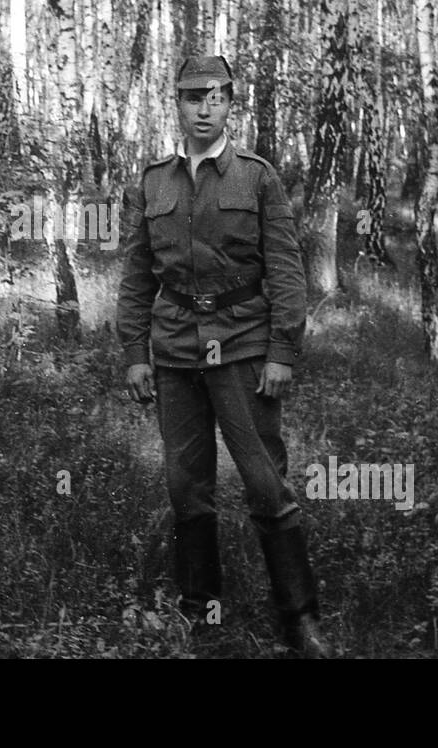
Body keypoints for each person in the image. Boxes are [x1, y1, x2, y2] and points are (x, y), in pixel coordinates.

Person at [115, 54, 329, 657]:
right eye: (193, 97)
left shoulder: (257, 177)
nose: (204, 108)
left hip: (241, 346)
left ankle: (301, 620)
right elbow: (136, 275)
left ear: (232, 104)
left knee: (266, 483)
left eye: (217, 97)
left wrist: (282, 349)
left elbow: (286, 269)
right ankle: (199, 612)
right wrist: (135, 352)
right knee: (187, 485)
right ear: (178, 105)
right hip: (176, 349)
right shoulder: (155, 181)